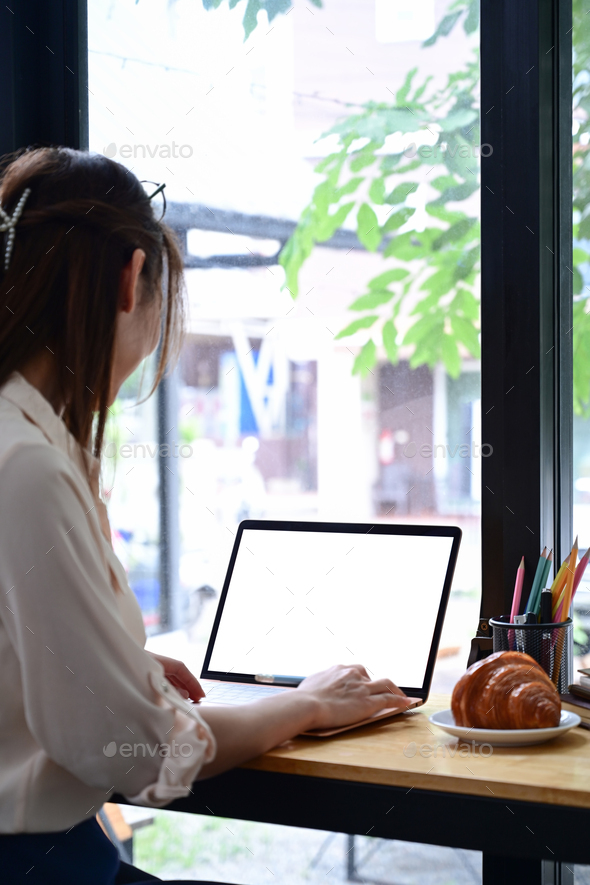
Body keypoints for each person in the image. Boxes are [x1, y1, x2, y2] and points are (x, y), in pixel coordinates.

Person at [0, 147, 404, 885]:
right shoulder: (28, 464)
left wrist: (93, 663)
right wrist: (306, 705)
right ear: (131, 278)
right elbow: (140, 750)